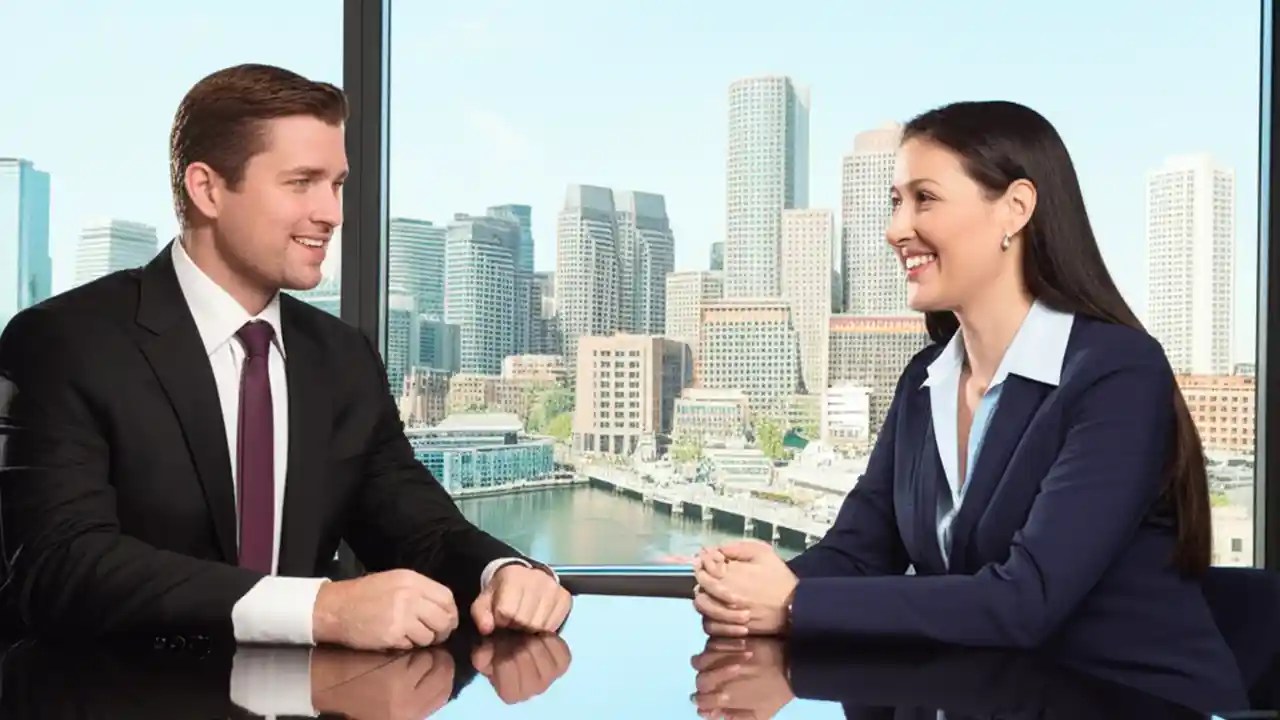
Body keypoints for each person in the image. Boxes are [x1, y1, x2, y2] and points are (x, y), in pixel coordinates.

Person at [690, 100, 1245, 711]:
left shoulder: (1117, 373)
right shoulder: (925, 379)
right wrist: (748, 586)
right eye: (895, 202)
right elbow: (859, 551)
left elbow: (1027, 598)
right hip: (987, 698)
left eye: (924, 198)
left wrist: (795, 604)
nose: (896, 228)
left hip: (1129, 703)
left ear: (1016, 208)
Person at [0, 63, 571, 651]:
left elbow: (419, 526)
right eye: (302, 182)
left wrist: (502, 573)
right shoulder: (65, 342)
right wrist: (319, 608)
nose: (332, 213)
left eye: (338, 184)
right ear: (208, 189)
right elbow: (60, 564)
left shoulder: (342, 358)